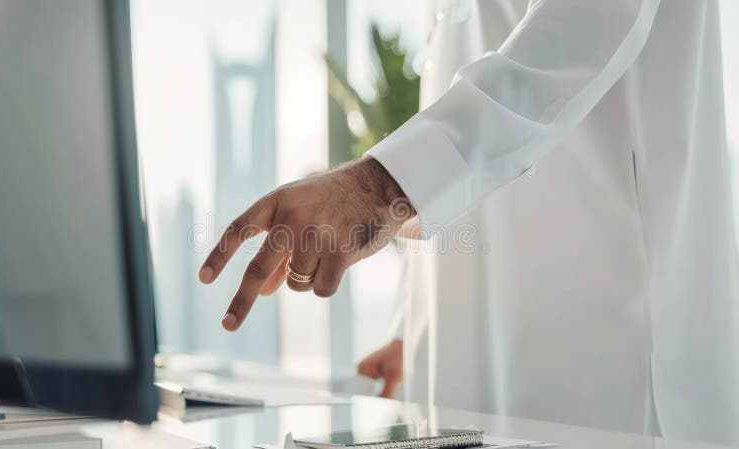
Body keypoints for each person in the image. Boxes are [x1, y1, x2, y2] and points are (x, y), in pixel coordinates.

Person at [200, 0, 739, 445]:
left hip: (609, 372)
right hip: (477, 367)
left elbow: (572, 41)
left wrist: (372, 188)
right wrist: (417, 322)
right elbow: (465, 110)